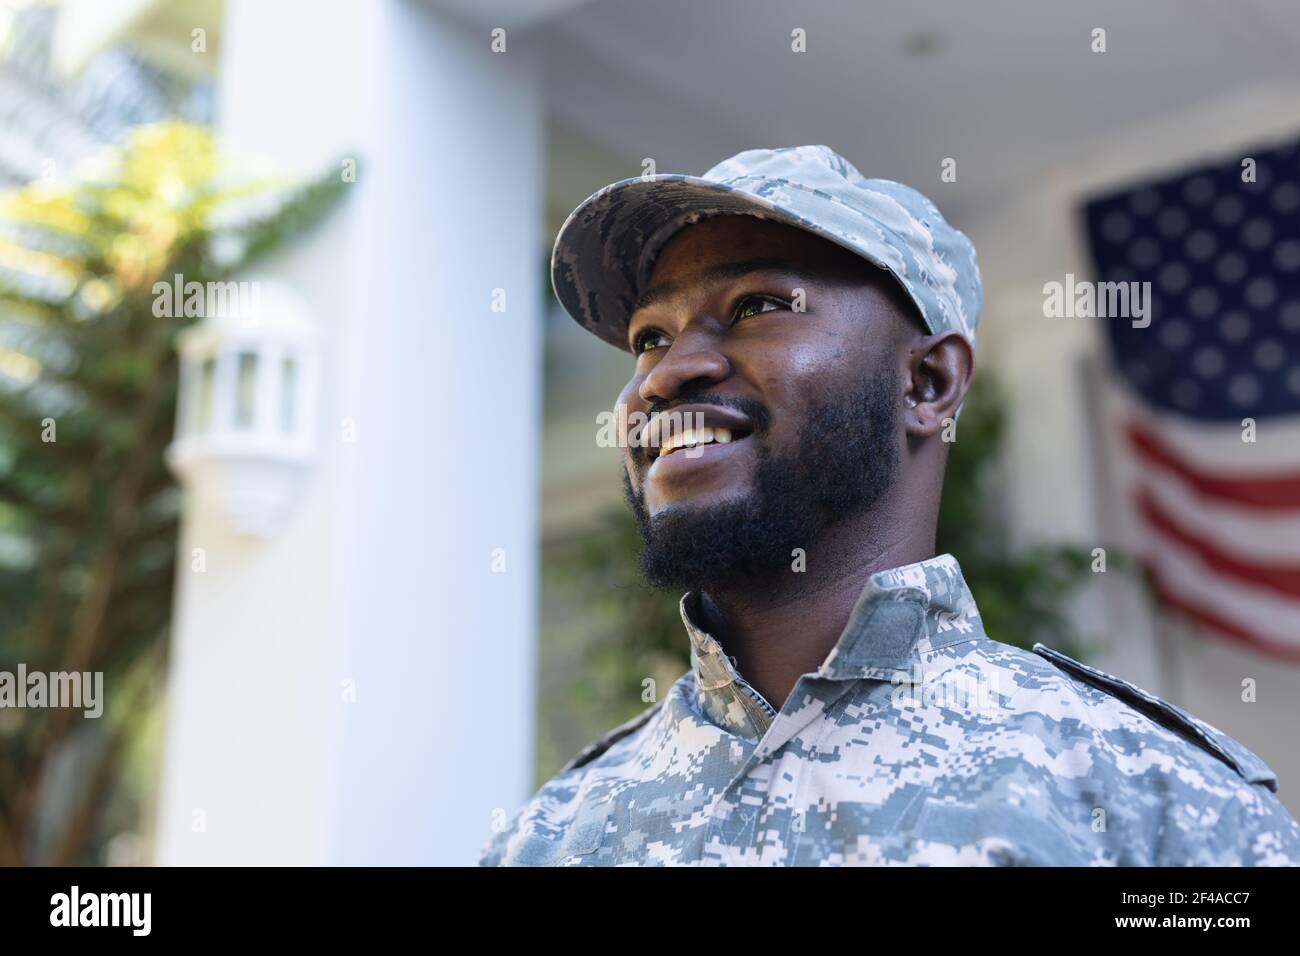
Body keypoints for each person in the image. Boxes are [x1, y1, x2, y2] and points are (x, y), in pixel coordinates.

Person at [481, 145, 1300, 866]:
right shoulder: (549, 838)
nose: (665, 373)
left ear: (928, 383)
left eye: (757, 306)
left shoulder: (1147, 802)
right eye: (649, 337)